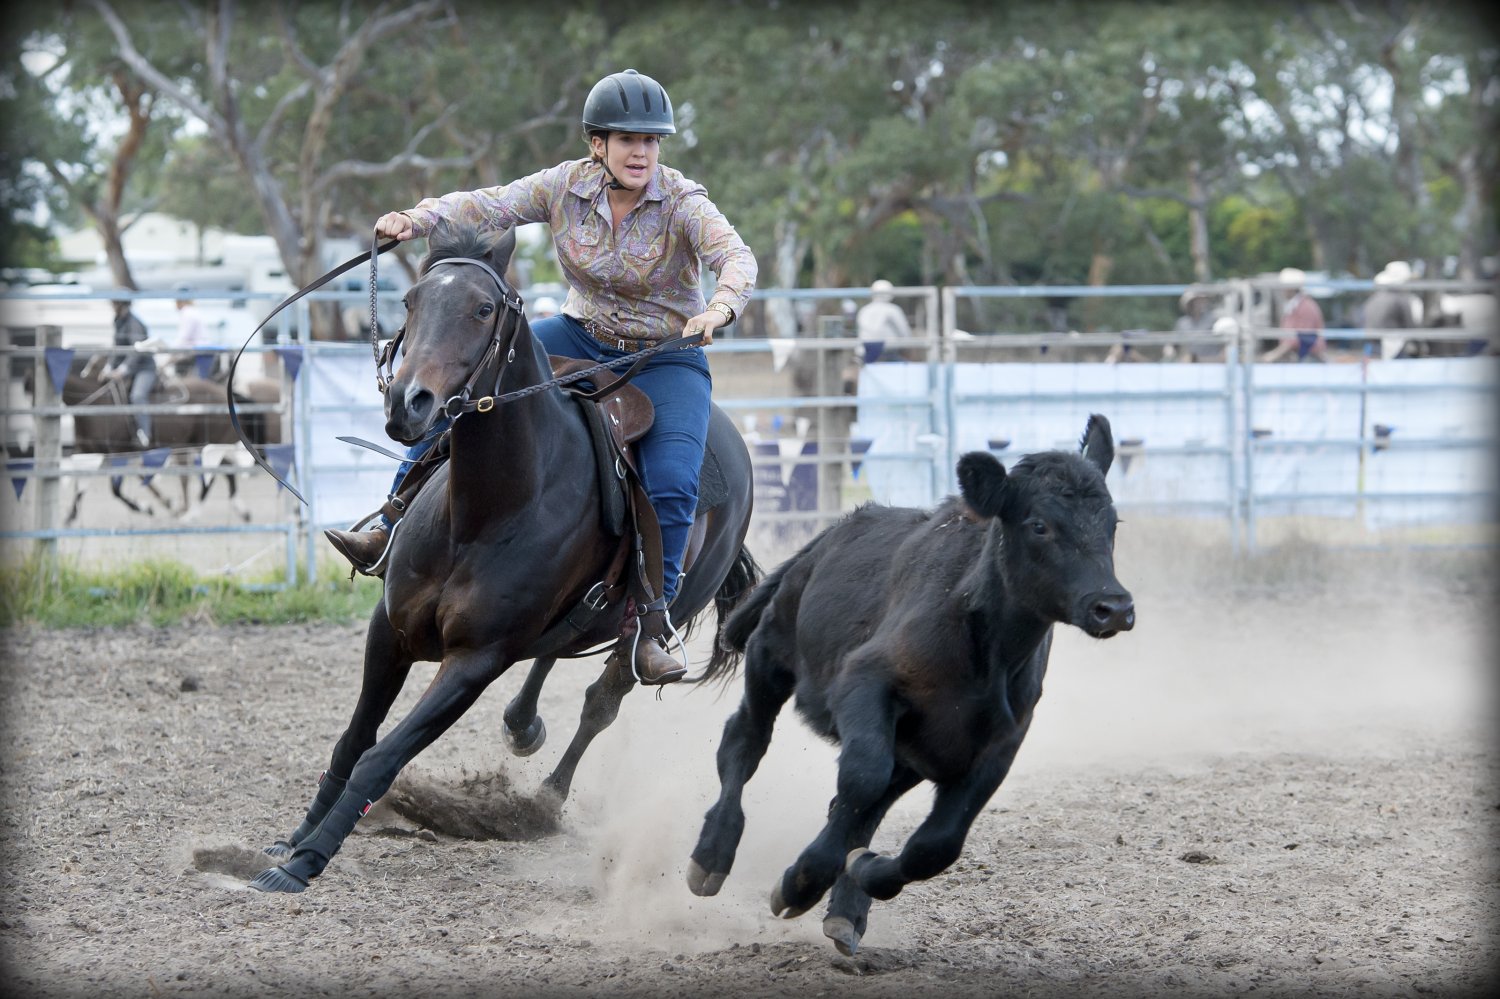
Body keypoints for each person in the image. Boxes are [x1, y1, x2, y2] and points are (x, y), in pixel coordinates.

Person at [326, 68, 757, 685]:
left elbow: (735, 255)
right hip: (576, 333)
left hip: (665, 353)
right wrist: (417, 219)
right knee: (460, 393)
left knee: (672, 478)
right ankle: (391, 527)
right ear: (597, 145)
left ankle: (652, 624)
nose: (641, 153)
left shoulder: (684, 204)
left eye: (651, 141)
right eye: (626, 140)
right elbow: (489, 203)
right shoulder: (564, 186)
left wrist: (721, 305)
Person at [103, 298, 157, 448]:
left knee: (138, 396)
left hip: (144, 368)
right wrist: (108, 367)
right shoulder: (118, 321)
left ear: (122, 304)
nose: (112, 306)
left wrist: (122, 370)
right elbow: (117, 347)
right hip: (130, 369)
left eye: (114, 303)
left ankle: (145, 434)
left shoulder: (134, 324)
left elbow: (137, 351)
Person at [1261, 267, 1326, 362]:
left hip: (1308, 357)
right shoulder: (1295, 305)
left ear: (1291, 288)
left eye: (1283, 286)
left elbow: (1299, 338)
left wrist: (1274, 355)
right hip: (1301, 355)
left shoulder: (1305, 307)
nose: (1281, 289)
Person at [1364, 260, 1418, 359]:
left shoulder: (1374, 298)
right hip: (1393, 348)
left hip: (1372, 346)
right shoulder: (1401, 299)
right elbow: (1410, 326)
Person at [855, 279, 911, 364]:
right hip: (887, 355)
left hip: (864, 355)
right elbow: (905, 334)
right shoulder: (893, 310)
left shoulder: (864, 310)